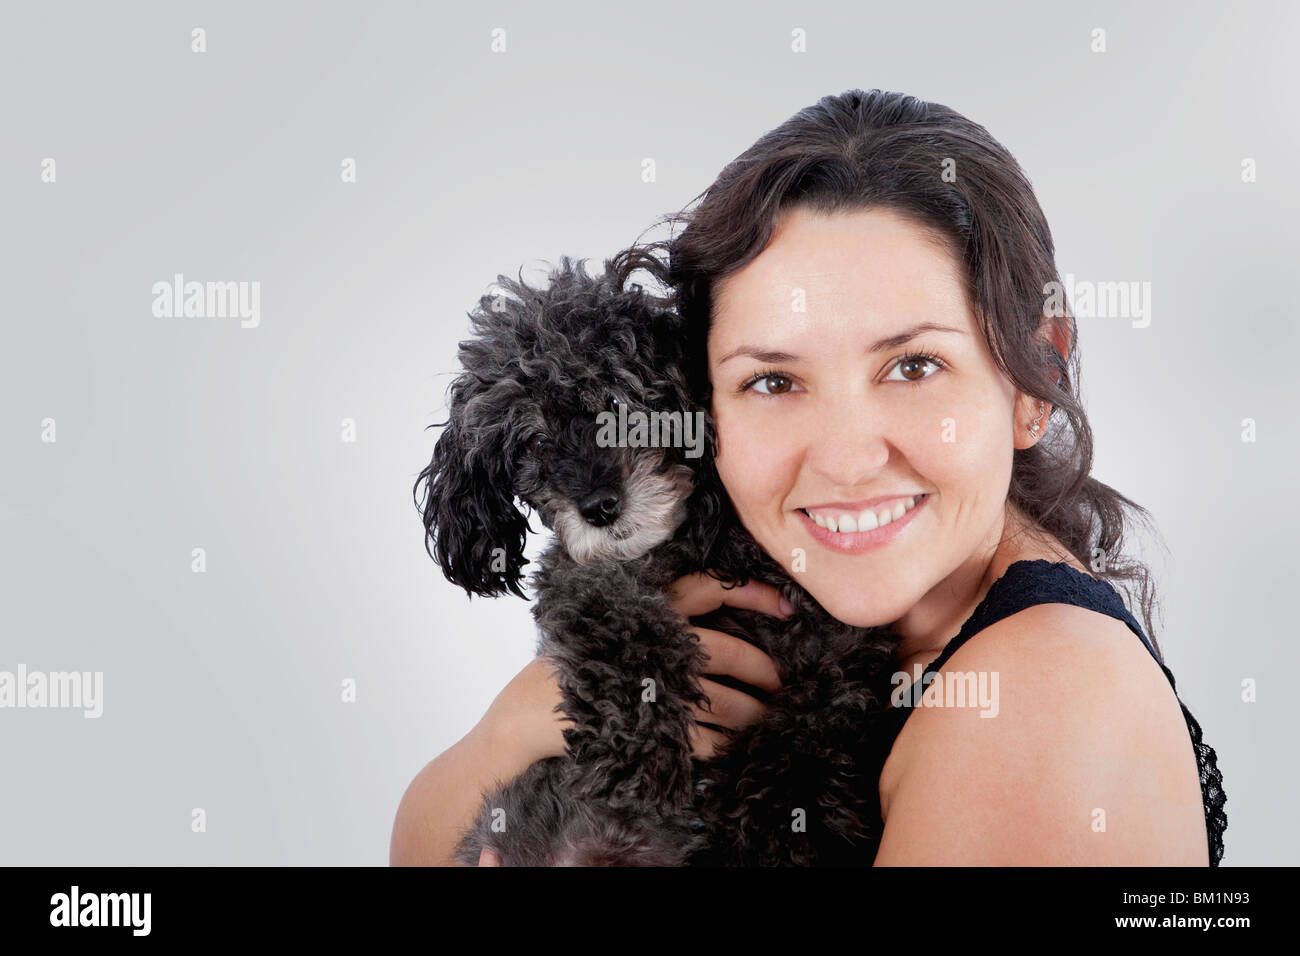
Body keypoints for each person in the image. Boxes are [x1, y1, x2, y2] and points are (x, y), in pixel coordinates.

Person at [391, 89, 1226, 866]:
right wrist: (512, 731)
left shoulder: (1036, 698)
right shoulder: (805, 609)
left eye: (913, 366)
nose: (845, 458)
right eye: (774, 382)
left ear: (1034, 374)